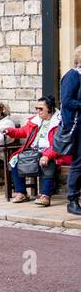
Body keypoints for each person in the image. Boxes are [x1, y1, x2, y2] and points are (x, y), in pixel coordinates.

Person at [4, 96, 66, 207]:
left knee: (47, 161)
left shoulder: (60, 122)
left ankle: (45, 195)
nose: (38, 111)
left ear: (50, 108)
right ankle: (21, 193)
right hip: (34, 151)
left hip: (54, 152)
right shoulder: (35, 121)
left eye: (41, 109)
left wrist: (48, 155)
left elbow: (60, 144)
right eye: (36, 108)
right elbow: (22, 131)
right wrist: (9, 131)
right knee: (15, 160)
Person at [61, 46, 81, 216]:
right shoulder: (72, 76)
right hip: (77, 127)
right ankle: (72, 201)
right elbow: (67, 101)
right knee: (78, 163)